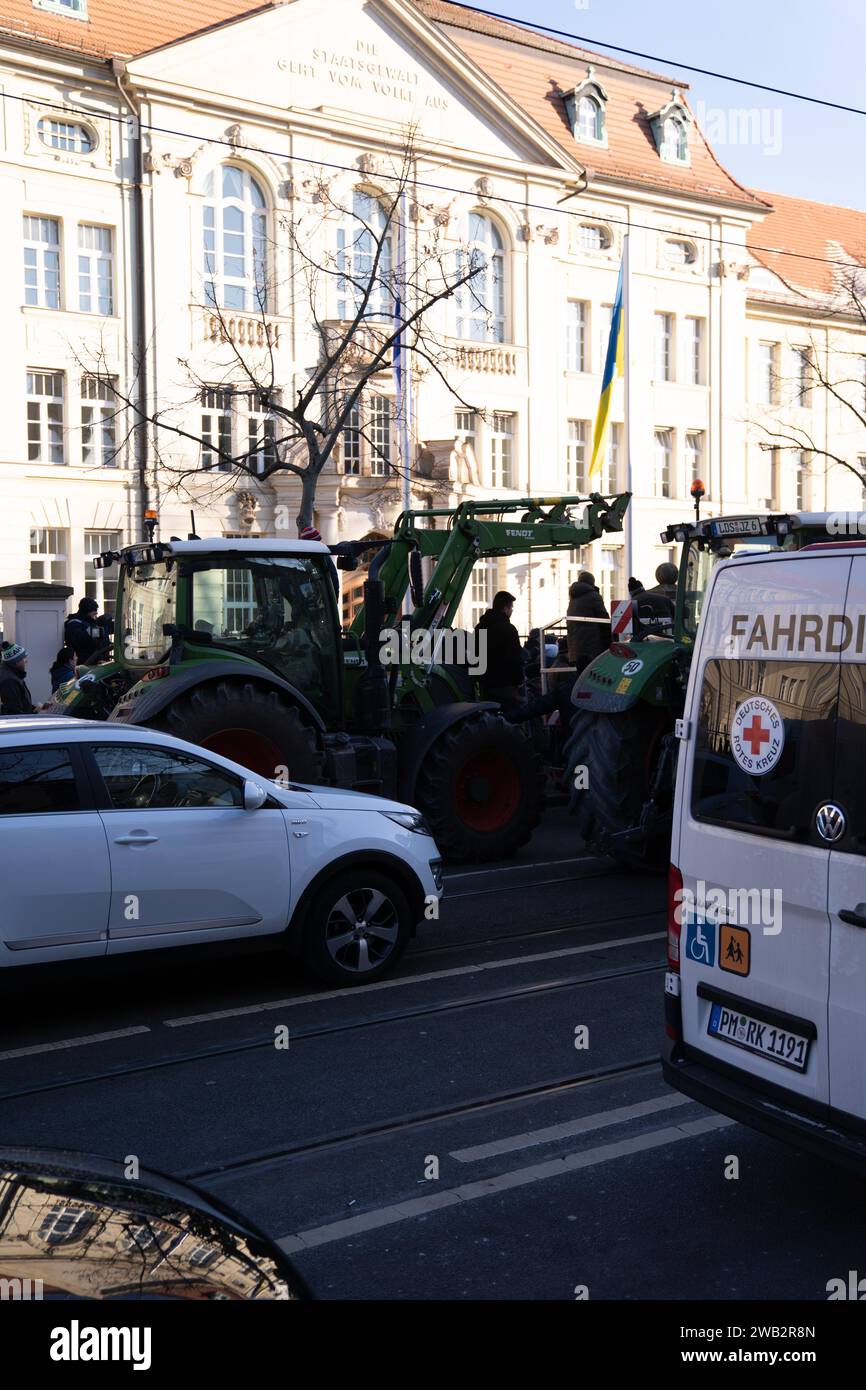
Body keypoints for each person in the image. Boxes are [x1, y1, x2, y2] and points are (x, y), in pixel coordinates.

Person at [475, 590, 524, 709]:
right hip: (506, 686)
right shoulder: (509, 629)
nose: (512, 611)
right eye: (511, 608)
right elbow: (515, 659)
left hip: (485, 686)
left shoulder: (480, 627)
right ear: (505, 609)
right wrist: (519, 680)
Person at [566, 571, 610, 676]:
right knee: (596, 674)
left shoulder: (573, 598)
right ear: (592, 582)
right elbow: (603, 617)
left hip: (575, 646)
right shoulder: (593, 595)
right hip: (592, 644)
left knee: (580, 675)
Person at [64, 597, 110, 664]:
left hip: (97, 661)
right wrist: (97, 626)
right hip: (84, 663)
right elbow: (80, 640)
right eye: (94, 614)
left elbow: (100, 640)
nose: (95, 617)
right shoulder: (73, 623)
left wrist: (104, 625)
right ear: (86, 612)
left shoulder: (89, 623)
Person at [299, 524, 339, 597]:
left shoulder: (322, 557)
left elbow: (333, 579)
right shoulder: (320, 557)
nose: (320, 544)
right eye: (317, 541)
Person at [0, 642, 35, 715]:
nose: (26, 661)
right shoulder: (9, 680)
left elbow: (20, 702)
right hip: (19, 723)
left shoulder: (13, 675)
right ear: (16, 662)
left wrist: (34, 709)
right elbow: (14, 711)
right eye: (24, 658)